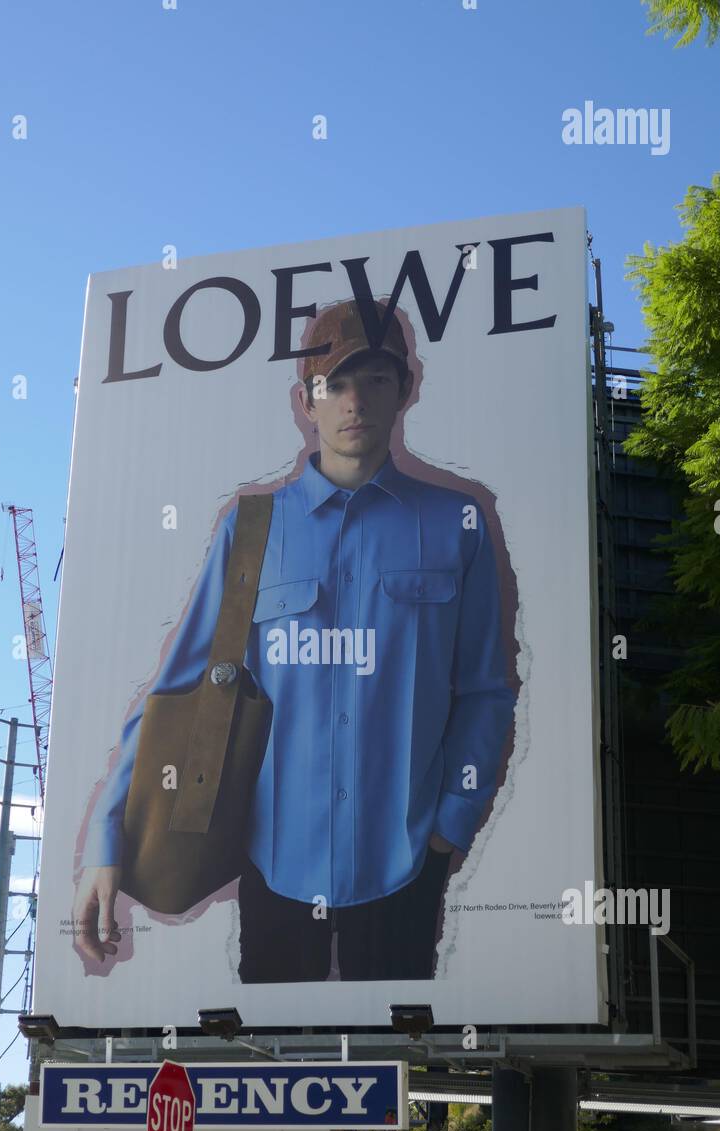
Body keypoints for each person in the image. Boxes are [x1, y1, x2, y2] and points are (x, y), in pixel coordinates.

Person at [74, 298, 516, 981]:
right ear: (305, 400)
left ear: (408, 389)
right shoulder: (251, 530)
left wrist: (446, 827)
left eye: (375, 380)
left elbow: (486, 690)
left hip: (404, 866)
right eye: (334, 384)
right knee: (274, 1073)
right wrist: (107, 839)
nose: (354, 401)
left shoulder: (457, 522)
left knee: (394, 1080)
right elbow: (177, 695)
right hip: (274, 865)